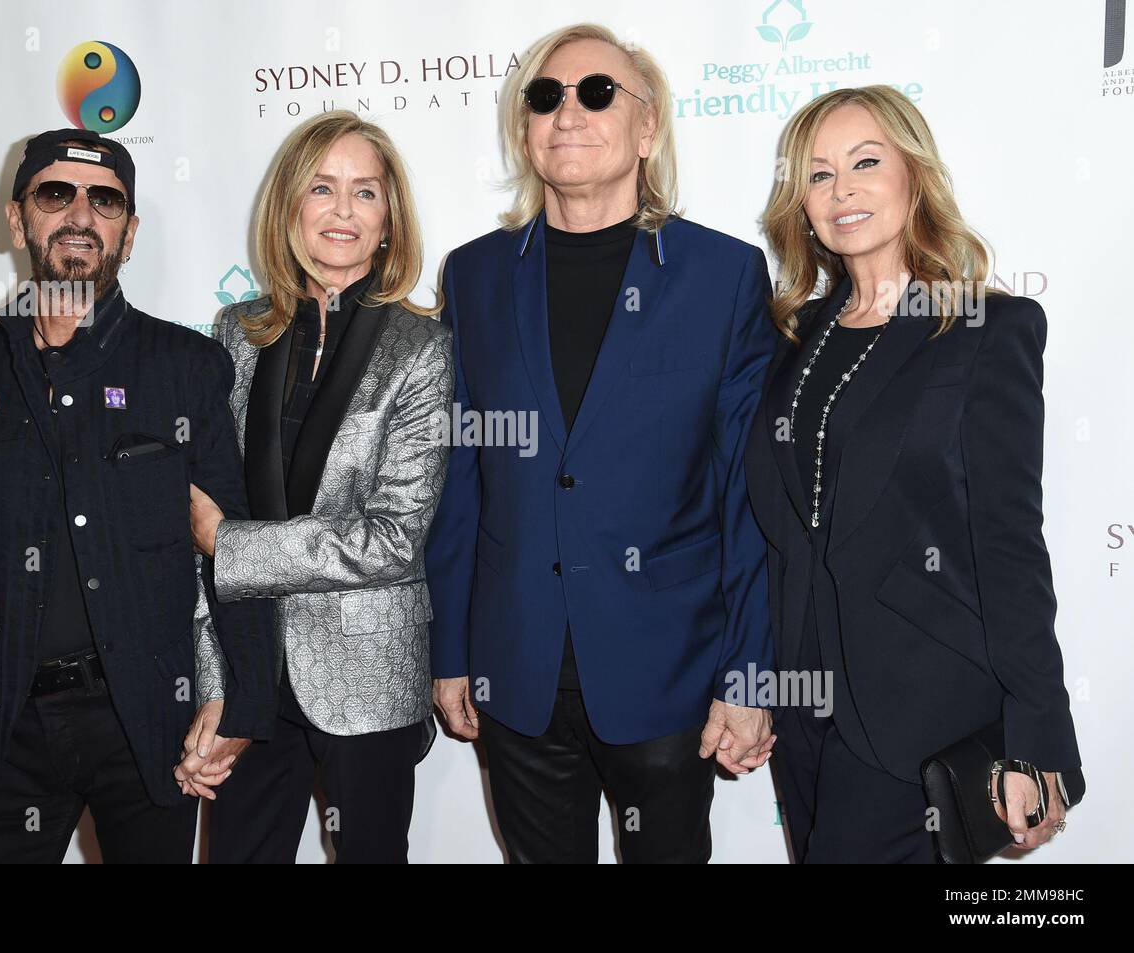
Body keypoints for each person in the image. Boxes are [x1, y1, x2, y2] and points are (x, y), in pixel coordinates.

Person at [424, 23, 776, 864]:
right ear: (524, 129)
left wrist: (750, 673)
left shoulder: (722, 275)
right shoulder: (473, 275)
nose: (567, 112)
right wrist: (450, 652)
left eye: (596, 92)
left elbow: (748, 497)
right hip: (517, 671)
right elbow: (460, 478)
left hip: (671, 672)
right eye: (544, 97)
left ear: (647, 129)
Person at [0, 128, 273, 863]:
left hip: (146, 719)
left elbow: (237, 549)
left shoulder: (186, 367)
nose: (80, 213)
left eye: (105, 200)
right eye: (54, 193)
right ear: (17, 219)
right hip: (1, 719)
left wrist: (244, 697)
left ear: (128, 234)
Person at [746, 86, 1081, 862]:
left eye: (867, 162)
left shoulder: (985, 332)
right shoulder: (796, 335)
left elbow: (1008, 544)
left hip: (919, 711)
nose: (844, 190)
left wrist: (1036, 739)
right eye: (819, 175)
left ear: (915, 176)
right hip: (805, 707)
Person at [177, 110, 453, 864]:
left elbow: (393, 539)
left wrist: (232, 546)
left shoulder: (421, 348)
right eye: (323, 188)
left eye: (366, 193)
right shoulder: (235, 332)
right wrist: (215, 681)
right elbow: (201, 525)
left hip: (368, 676)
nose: (342, 210)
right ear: (289, 204)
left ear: (390, 217)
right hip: (249, 674)